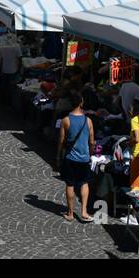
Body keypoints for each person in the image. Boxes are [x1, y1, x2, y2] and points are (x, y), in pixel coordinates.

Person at [56, 92, 96, 222]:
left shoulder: (66, 120)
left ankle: (71, 213)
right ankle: (84, 211)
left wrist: (58, 156)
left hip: (70, 158)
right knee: (84, 183)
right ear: (81, 103)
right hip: (84, 158)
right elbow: (92, 141)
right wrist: (90, 154)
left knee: (70, 184)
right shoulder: (88, 120)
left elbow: (61, 141)